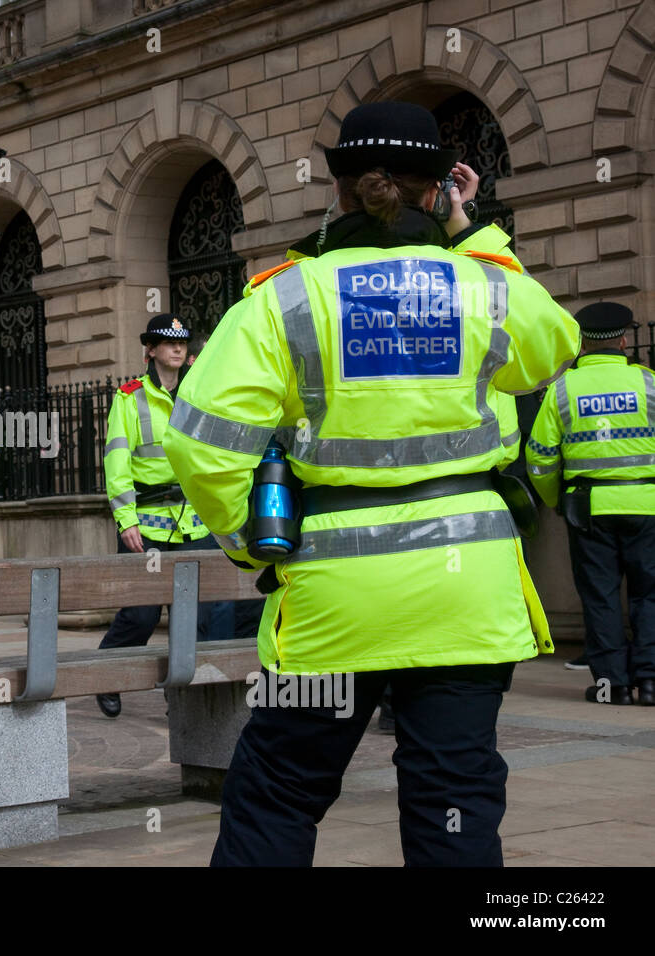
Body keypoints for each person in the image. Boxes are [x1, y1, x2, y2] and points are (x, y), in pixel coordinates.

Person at [164, 101, 579, 866]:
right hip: (466, 599)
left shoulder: (286, 295)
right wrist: (476, 234)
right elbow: (555, 344)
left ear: (340, 187)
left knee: (278, 791)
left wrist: (256, 544)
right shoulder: (482, 287)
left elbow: (201, 442)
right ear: (438, 189)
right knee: (454, 795)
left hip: (330, 604)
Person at [94, 314, 264, 719]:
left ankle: (187, 694)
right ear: (150, 350)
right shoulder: (129, 398)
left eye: (182, 343)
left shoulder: (202, 393)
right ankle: (106, 675)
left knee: (207, 611)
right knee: (141, 613)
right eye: (166, 343)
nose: (177, 348)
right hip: (148, 523)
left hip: (196, 520)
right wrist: (126, 519)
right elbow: (117, 460)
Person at [526, 303, 655, 706]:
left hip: (588, 509)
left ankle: (611, 687)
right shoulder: (649, 384)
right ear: (623, 339)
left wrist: (558, 501)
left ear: (582, 343)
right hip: (647, 505)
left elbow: (540, 458)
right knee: (649, 595)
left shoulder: (562, 390)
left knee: (599, 597)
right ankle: (650, 682)